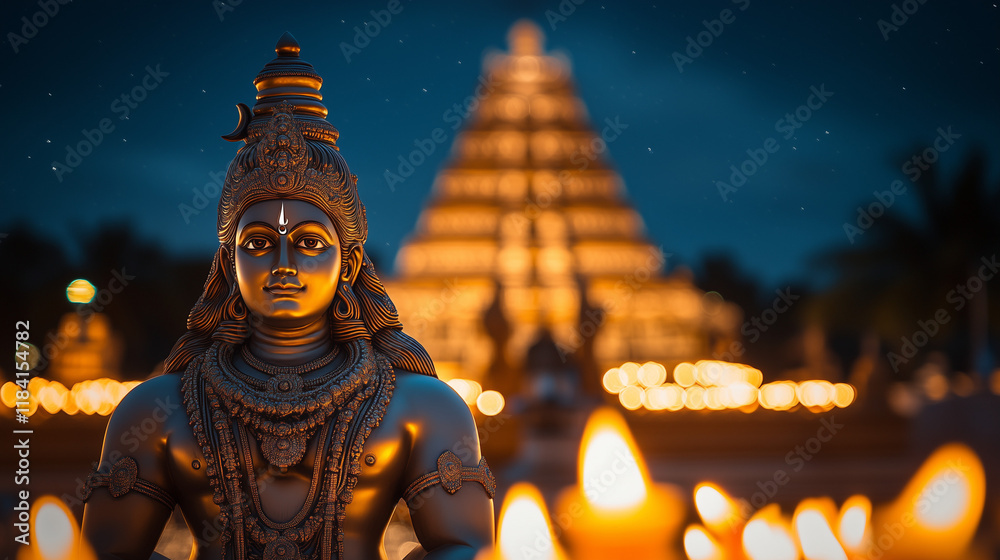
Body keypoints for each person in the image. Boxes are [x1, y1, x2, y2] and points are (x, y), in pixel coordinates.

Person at [80, 33, 496, 560]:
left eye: (309, 243)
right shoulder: (158, 409)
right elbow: (100, 554)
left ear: (348, 262)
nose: (283, 265)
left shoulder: (423, 407)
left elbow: (467, 551)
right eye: (257, 243)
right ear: (228, 263)